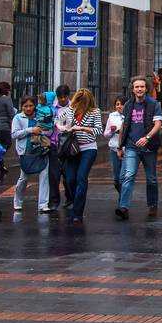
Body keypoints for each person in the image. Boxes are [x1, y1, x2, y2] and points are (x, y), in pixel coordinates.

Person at [116, 76, 162, 220]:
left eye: (142, 86)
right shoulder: (128, 105)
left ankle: (152, 205)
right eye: (137, 87)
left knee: (151, 179)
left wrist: (147, 138)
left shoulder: (154, 104)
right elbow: (123, 126)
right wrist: (119, 146)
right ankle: (124, 207)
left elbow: (158, 124)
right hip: (131, 146)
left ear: (146, 88)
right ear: (133, 89)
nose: (139, 89)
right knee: (128, 175)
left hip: (149, 147)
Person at [58, 89, 102, 223]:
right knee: (70, 179)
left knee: (81, 177)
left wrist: (82, 128)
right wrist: (61, 127)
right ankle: (73, 201)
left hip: (88, 148)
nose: (80, 105)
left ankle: (77, 212)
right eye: (78, 101)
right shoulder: (71, 110)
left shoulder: (95, 112)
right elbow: (58, 119)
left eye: (83, 102)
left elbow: (98, 130)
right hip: (73, 148)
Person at [0, 82, 16, 181]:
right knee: (7, 144)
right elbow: (11, 113)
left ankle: (0, 165)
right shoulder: (6, 99)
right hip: (4, 126)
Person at [102, 97, 125, 194]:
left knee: (123, 177)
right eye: (117, 104)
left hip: (127, 149)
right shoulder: (112, 116)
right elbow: (106, 135)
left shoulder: (130, 116)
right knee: (116, 178)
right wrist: (111, 131)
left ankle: (123, 200)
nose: (119, 106)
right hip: (114, 148)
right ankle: (121, 193)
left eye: (121, 104)